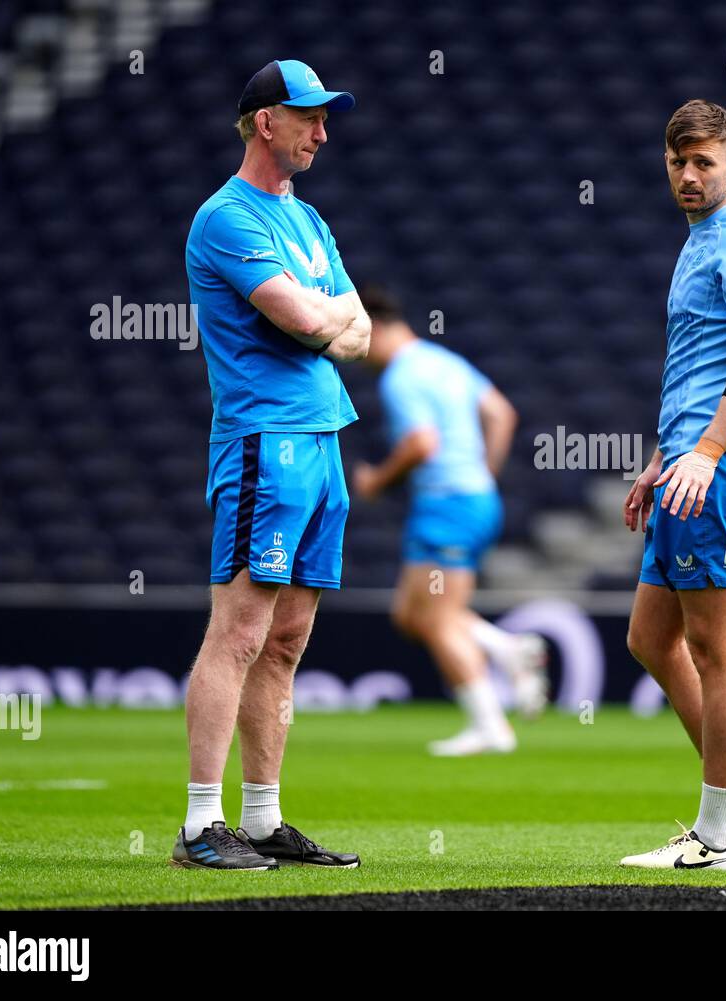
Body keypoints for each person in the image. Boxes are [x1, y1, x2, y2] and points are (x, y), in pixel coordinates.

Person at [174, 60, 370, 868]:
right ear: (265, 122)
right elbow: (303, 320)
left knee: (286, 639)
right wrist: (323, 320)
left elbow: (359, 331)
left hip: (321, 440)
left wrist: (325, 321)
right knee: (241, 630)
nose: (322, 133)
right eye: (308, 117)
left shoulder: (309, 220)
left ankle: (260, 819)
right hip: (265, 443)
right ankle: (197, 826)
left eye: (326, 118)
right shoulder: (227, 218)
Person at [619, 100, 726, 871]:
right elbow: (702, 364)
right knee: (649, 639)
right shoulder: (702, 239)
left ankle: (719, 835)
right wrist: (667, 456)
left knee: (720, 652)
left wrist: (708, 451)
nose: (689, 175)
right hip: (689, 466)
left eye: (704, 163)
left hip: (720, 468)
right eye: (677, 162)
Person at [352, 286, 548, 757]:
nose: (353, 352)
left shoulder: (400, 377)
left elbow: (422, 444)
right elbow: (502, 412)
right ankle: (507, 649)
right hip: (468, 500)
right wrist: (485, 472)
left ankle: (490, 727)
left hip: (448, 505)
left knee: (437, 620)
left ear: (373, 326)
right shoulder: (443, 360)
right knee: (410, 615)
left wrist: (377, 480)